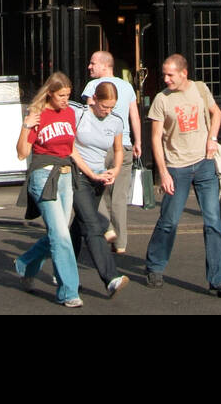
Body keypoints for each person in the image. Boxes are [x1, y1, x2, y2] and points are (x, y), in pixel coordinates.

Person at [144, 54, 221, 297]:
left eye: (170, 75)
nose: (166, 79)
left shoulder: (200, 88)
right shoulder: (160, 100)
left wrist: (212, 139)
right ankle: (155, 265)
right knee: (170, 221)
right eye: (164, 74)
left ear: (183, 73)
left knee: (213, 222)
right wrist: (162, 172)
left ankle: (220, 279)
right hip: (176, 167)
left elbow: (216, 113)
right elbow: (155, 138)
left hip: (204, 164)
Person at [13, 72, 83, 308]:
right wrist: (25, 126)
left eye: (68, 95)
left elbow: (71, 148)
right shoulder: (38, 114)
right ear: (50, 93)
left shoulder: (71, 113)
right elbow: (22, 152)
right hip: (43, 177)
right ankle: (68, 292)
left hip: (65, 176)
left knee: (57, 234)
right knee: (62, 236)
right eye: (61, 95)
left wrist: (91, 173)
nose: (65, 99)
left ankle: (25, 264)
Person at [68, 82, 130, 296]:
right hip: (78, 176)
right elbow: (70, 148)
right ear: (94, 99)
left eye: (112, 107)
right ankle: (110, 277)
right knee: (93, 226)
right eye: (104, 106)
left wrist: (115, 169)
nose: (107, 111)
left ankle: (64, 272)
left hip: (98, 178)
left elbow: (118, 149)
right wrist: (90, 173)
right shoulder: (80, 115)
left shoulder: (115, 121)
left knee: (78, 227)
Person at [80, 50, 141, 253]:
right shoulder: (127, 87)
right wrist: (138, 141)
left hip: (100, 147)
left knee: (92, 191)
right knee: (119, 197)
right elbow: (135, 116)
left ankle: (108, 228)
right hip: (123, 145)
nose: (90, 67)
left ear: (105, 65)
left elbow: (88, 117)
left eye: (93, 63)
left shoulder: (93, 87)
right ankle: (121, 244)